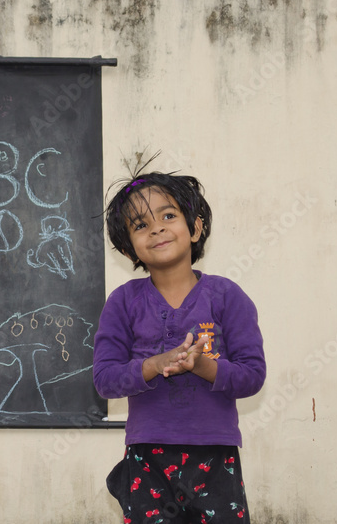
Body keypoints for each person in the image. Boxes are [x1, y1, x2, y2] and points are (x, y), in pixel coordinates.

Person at [93, 171, 266, 524]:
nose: (156, 229)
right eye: (140, 224)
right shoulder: (123, 302)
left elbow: (252, 376)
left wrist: (204, 367)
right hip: (146, 455)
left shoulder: (227, 296)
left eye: (168, 216)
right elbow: (105, 379)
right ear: (128, 248)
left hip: (215, 455)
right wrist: (155, 363)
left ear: (196, 228)